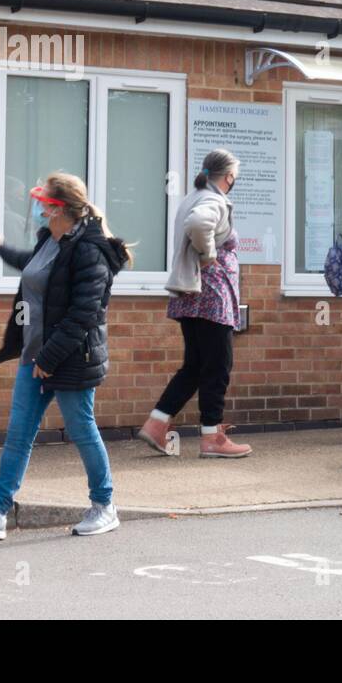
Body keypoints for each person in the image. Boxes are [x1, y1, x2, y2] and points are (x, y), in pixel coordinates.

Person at [0, 172, 131, 540]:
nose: (37, 209)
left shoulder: (89, 252)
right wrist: (1, 249)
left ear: (58, 209)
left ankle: (105, 506)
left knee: (81, 430)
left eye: (43, 204)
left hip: (71, 359)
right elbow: (33, 266)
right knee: (18, 434)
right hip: (34, 356)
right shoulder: (49, 240)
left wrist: (48, 359)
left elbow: (83, 315)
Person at [138, 148, 251, 458]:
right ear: (229, 176)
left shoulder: (193, 196)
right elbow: (200, 225)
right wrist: (210, 255)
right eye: (235, 176)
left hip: (192, 296)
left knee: (195, 366)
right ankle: (212, 437)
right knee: (218, 366)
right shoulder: (213, 200)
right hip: (211, 296)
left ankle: (157, 424)